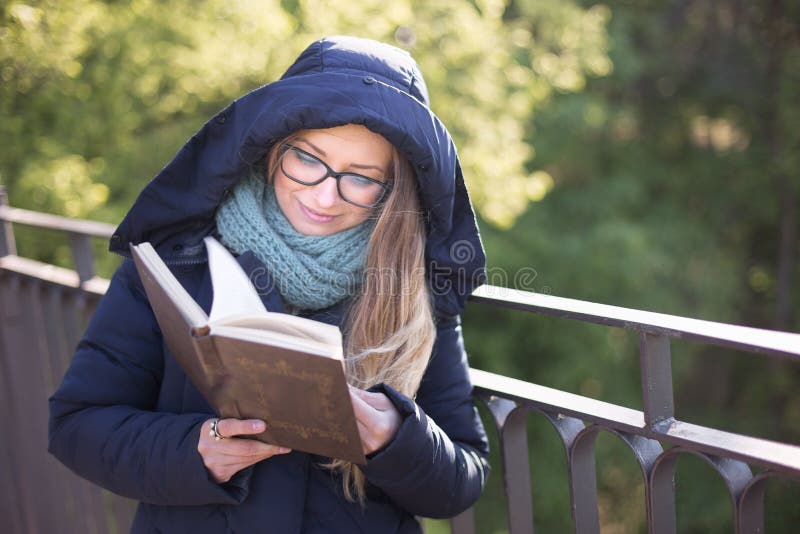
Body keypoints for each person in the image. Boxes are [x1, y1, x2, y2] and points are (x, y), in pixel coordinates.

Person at [49, 35, 489, 533]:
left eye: (361, 178)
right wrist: (196, 450)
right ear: (271, 147)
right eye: (307, 159)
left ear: (392, 191)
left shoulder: (412, 288)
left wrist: (396, 438)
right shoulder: (177, 259)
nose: (324, 197)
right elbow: (76, 426)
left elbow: (464, 478)